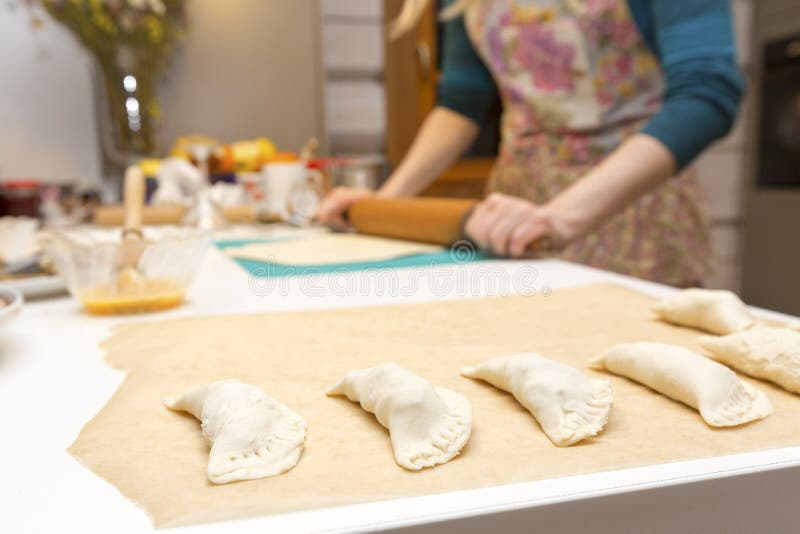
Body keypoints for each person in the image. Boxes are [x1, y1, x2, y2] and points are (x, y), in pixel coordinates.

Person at [316, 0, 743, 287]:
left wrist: (561, 218)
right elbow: (461, 104)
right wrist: (383, 209)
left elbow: (706, 93)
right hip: (513, 211)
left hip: (634, 206)